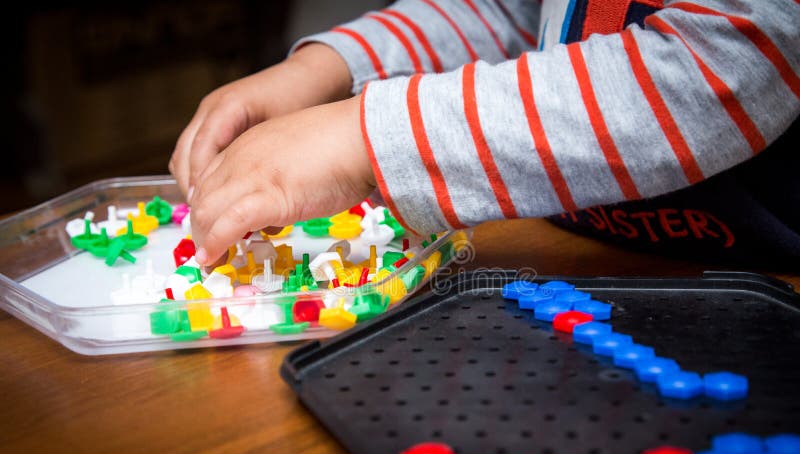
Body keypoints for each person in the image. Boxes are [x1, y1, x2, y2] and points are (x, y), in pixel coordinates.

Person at [169, 0, 800, 268]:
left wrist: (362, 138)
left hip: (768, 295)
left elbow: (718, 67)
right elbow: (511, 12)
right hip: (566, 263)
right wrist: (325, 70)